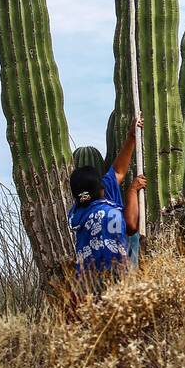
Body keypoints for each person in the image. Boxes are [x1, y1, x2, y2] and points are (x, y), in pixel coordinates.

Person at [68, 115, 146, 272]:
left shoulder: (81, 208)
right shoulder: (107, 213)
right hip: (114, 278)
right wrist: (132, 191)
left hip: (86, 281)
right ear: (101, 188)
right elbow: (130, 227)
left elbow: (118, 171)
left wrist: (131, 137)